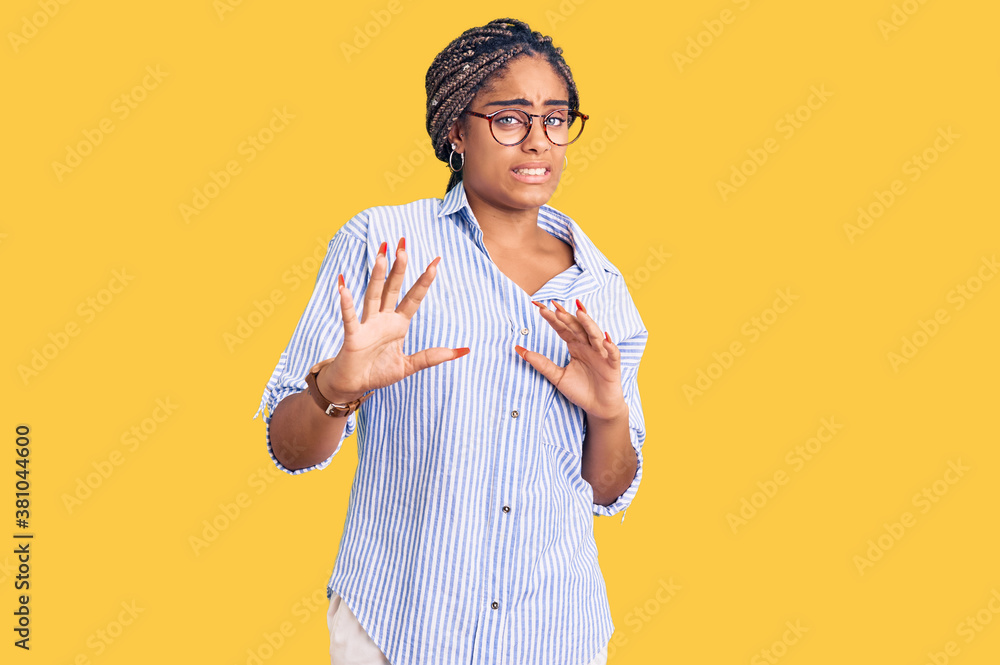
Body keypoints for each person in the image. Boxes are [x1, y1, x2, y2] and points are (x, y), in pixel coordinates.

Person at [253, 17, 648, 665]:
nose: (538, 141)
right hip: (399, 624)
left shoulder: (601, 287)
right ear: (456, 131)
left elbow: (608, 489)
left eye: (555, 119)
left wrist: (609, 413)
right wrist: (336, 387)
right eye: (510, 119)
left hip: (554, 632)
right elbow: (289, 449)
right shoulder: (383, 246)